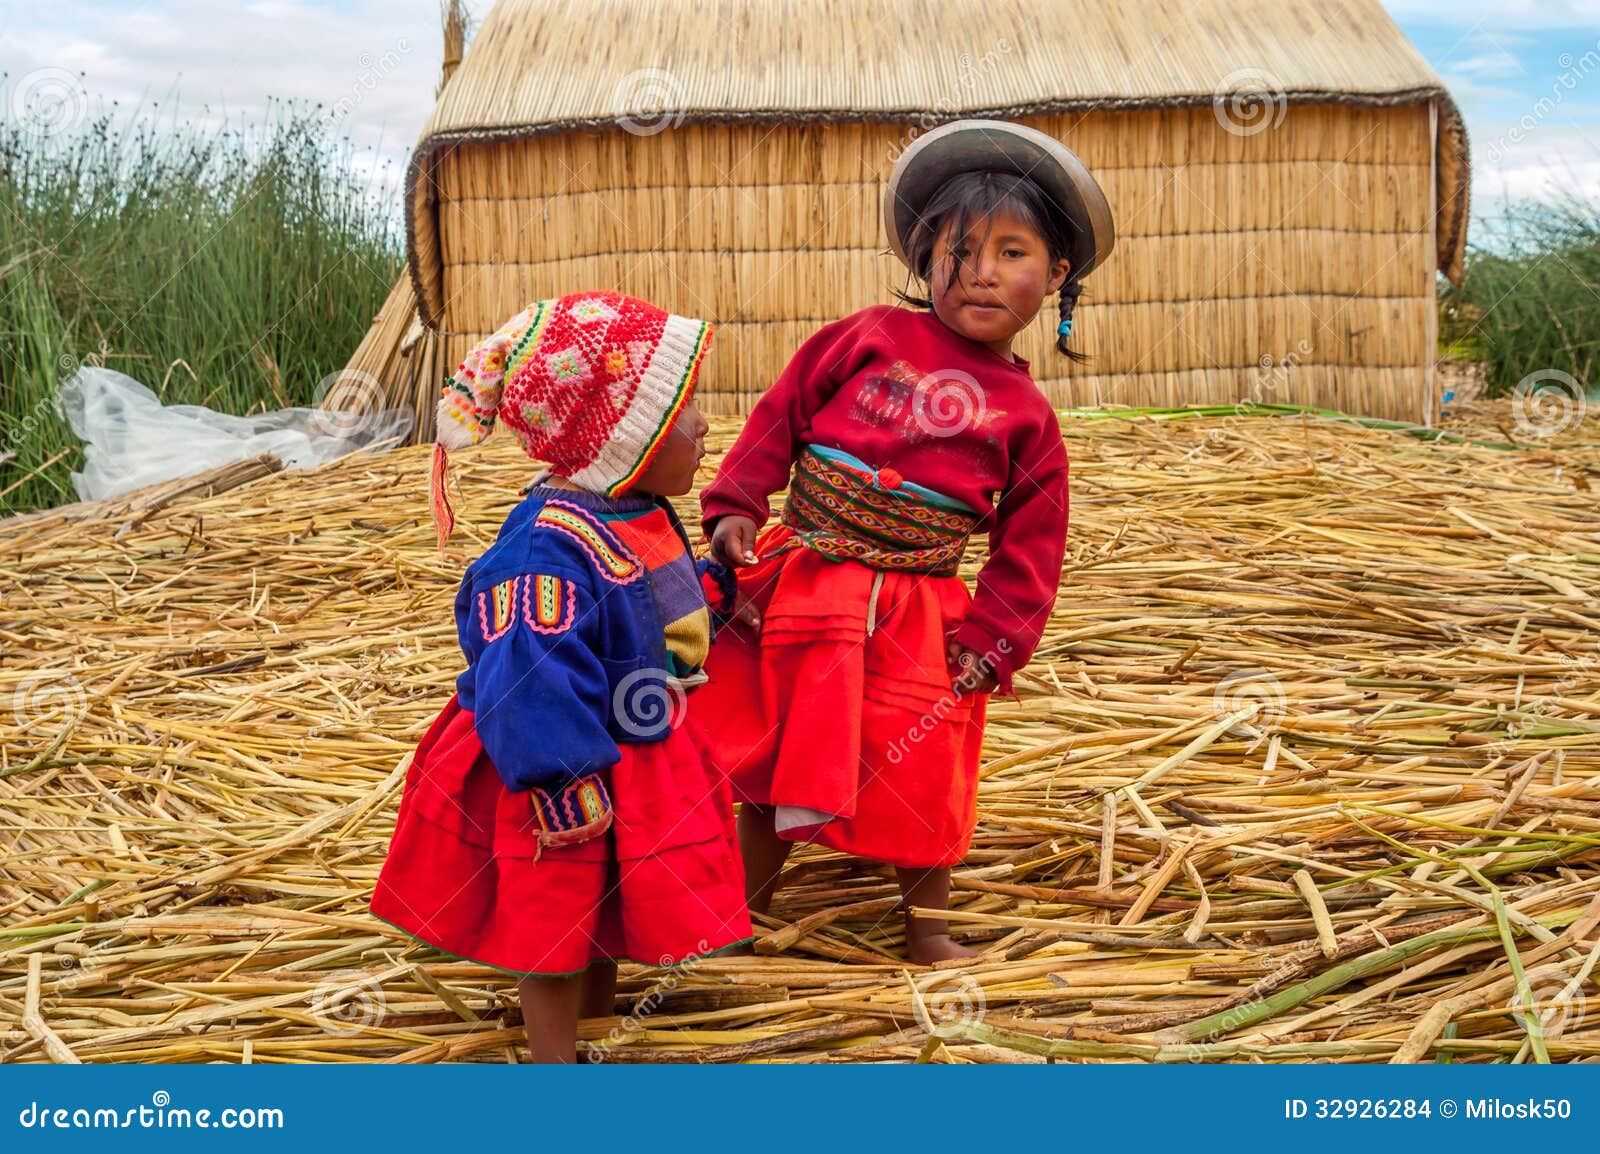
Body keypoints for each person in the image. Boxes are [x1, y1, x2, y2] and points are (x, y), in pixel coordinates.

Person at [693, 120, 1115, 963]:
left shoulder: (1028, 419)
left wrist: (993, 642)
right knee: (769, 752)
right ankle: (738, 918)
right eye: (959, 252)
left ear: (1057, 275)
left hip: (916, 614)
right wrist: (738, 499)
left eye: (1012, 253)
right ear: (924, 263)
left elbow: (1032, 547)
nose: (983, 273)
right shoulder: (866, 336)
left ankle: (928, 934)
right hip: (803, 584)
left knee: (922, 767)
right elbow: (782, 415)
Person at [371, 291, 751, 1062]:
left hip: (634, 746)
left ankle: (596, 1027)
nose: (706, 426)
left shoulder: (635, 510)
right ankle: (553, 1065)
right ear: (627, 438)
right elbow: (526, 668)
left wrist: (722, 587)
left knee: (606, 900)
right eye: (683, 411)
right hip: (559, 760)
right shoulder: (546, 549)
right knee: (557, 911)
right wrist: (558, 776)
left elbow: (655, 611)